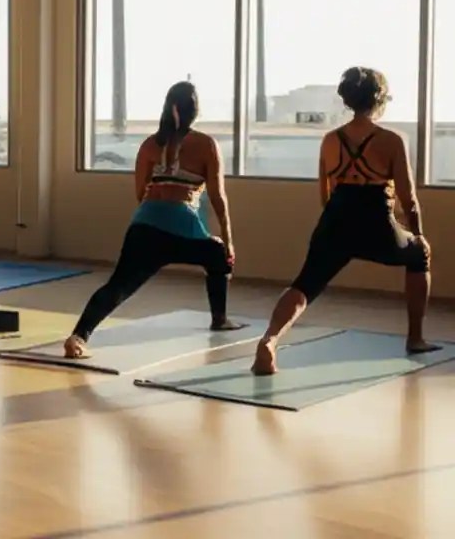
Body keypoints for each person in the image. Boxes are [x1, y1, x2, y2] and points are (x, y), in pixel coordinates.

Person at [253, 67, 437, 375]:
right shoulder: (392, 140)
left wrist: (337, 228)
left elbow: (325, 194)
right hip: (377, 221)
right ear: (379, 100)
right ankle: (415, 338)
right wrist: (418, 235)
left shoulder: (330, 140)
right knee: (420, 254)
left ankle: (269, 341)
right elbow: (409, 200)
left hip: (335, 218)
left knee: (304, 284)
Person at [63, 81, 243, 359]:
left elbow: (141, 193)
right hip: (180, 227)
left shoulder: (149, 145)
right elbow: (218, 197)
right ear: (195, 111)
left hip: (144, 225)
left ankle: (78, 336)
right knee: (218, 255)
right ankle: (220, 319)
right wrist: (228, 240)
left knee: (118, 286)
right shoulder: (206, 144)